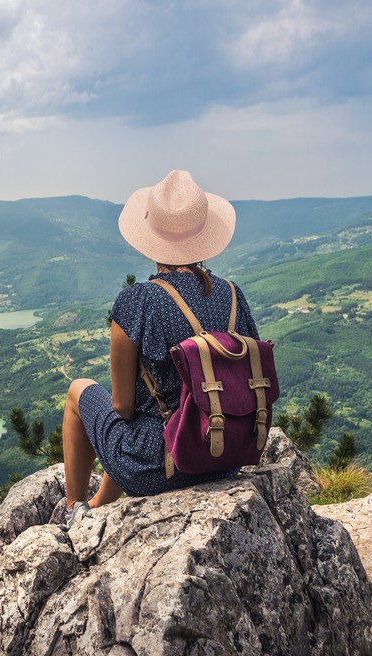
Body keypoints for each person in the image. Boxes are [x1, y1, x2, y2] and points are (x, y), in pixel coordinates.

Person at [62, 170, 260, 524]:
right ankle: (97, 505)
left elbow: (122, 407)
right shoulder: (232, 295)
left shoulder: (139, 300)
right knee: (149, 417)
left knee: (80, 391)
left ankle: (73, 511)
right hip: (224, 456)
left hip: (161, 467)